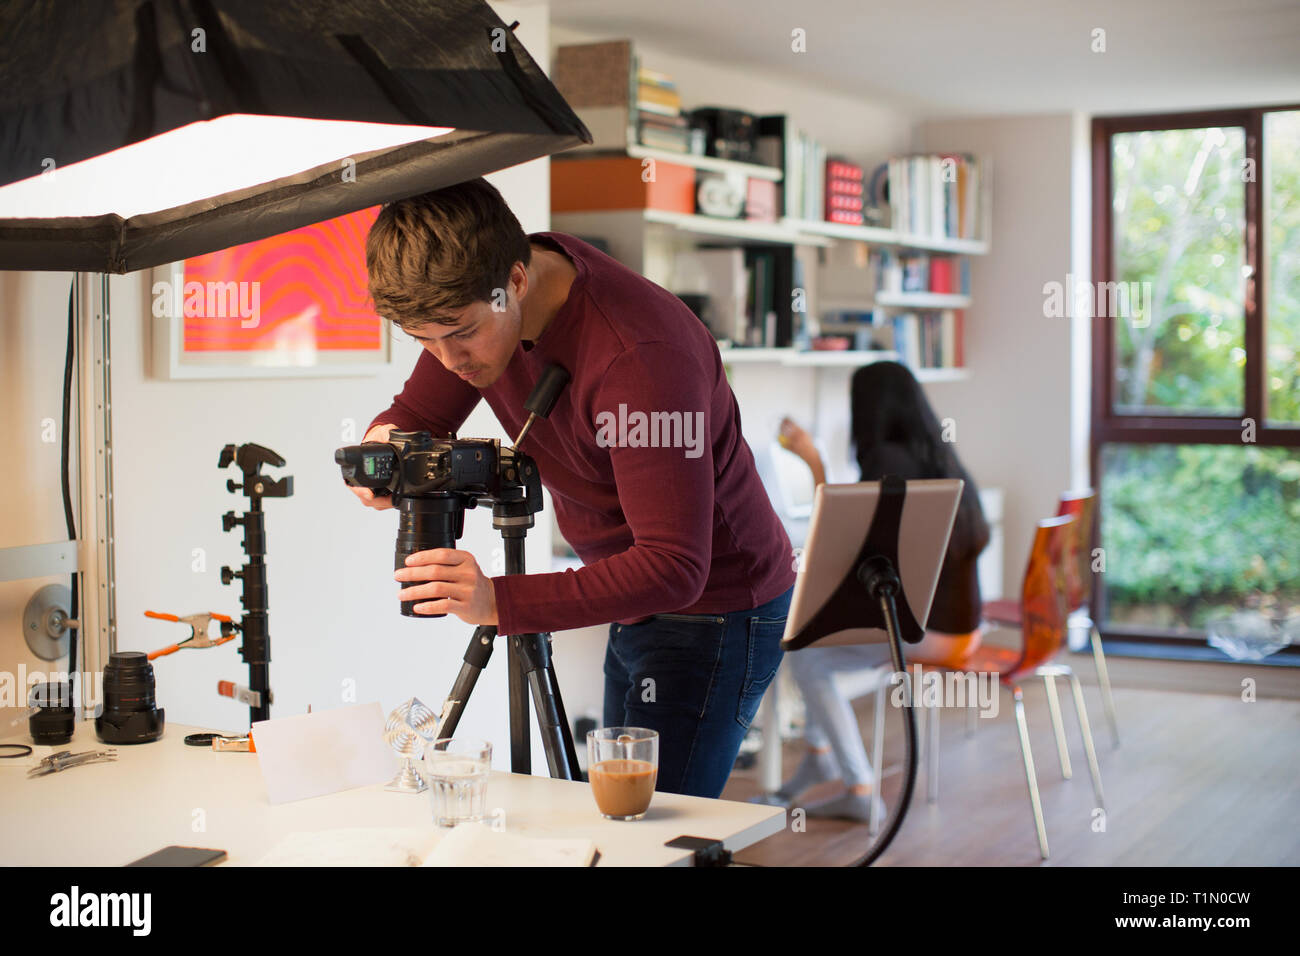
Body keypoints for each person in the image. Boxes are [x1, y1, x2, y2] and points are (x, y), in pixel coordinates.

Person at [350, 178, 796, 800]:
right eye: (422, 339)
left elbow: (674, 565)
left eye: (459, 333)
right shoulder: (475, 301)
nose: (448, 359)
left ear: (517, 281)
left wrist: (500, 603)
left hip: (717, 610)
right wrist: (381, 449)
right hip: (633, 592)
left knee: (646, 833)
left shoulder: (641, 358)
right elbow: (415, 416)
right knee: (616, 815)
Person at [761, 360, 990, 821]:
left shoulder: (888, 461)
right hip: (966, 627)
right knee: (807, 648)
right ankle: (819, 759)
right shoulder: (938, 456)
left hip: (930, 630)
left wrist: (813, 461)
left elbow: (851, 541)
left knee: (803, 650)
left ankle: (858, 787)